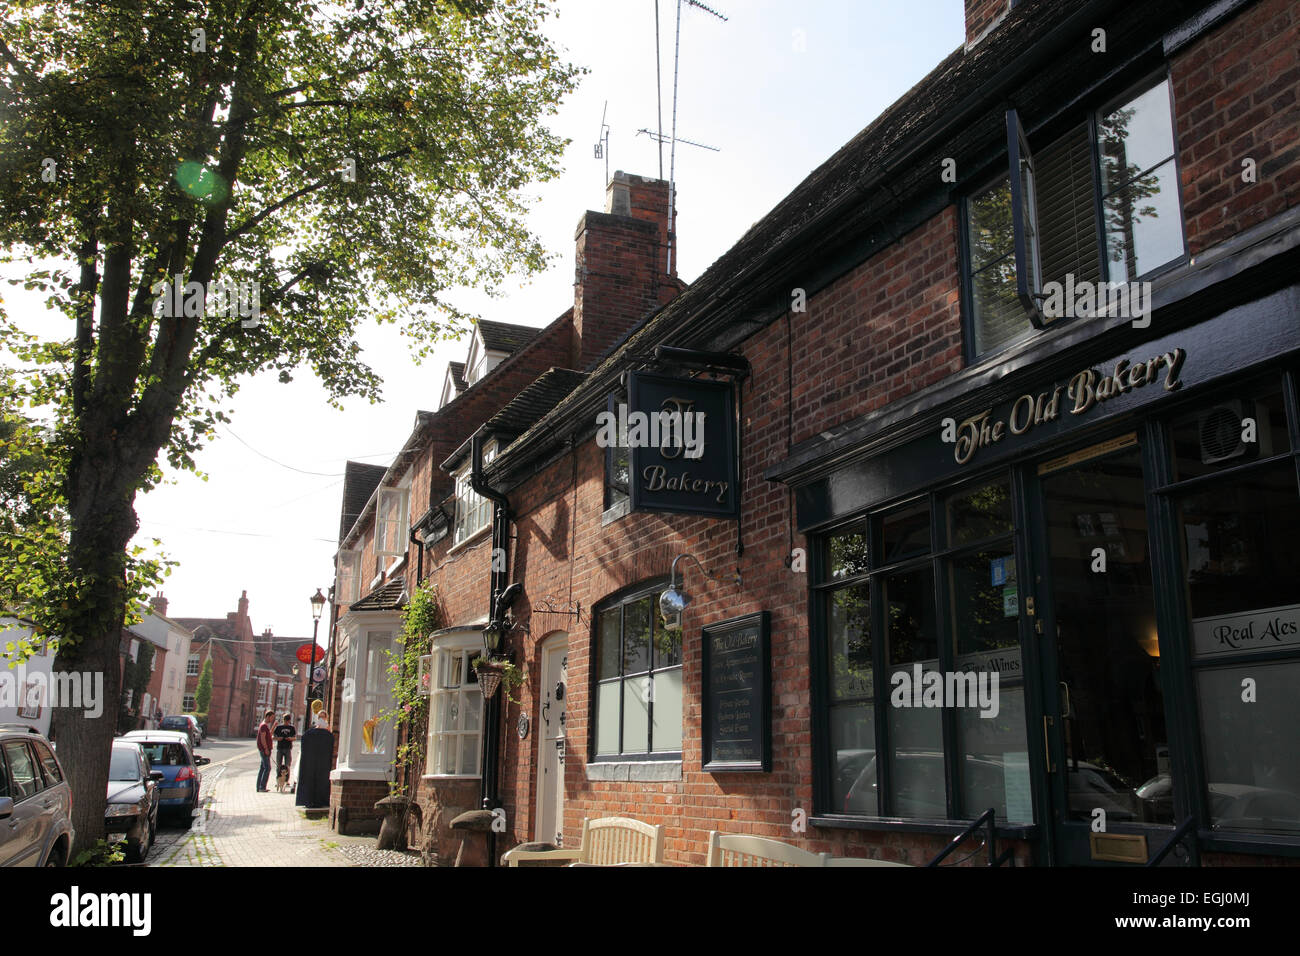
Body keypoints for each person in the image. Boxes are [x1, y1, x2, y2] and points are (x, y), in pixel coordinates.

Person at [273, 712, 296, 782]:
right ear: (283, 720)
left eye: (287, 720)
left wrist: (290, 738)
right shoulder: (279, 727)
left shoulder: (291, 728)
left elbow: (295, 738)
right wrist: (278, 738)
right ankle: (278, 779)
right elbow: (273, 737)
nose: (286, 722)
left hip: (288, 748)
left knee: (287, 765)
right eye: (285, 720)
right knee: (278, 765)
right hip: (280, 748)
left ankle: (286, 780)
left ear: (289, 720)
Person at [255, 709, 274, 792]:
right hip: (264, 750)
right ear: (268, 716)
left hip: (265, 749)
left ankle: (259, 787)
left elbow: (268, 735)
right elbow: (263, 738)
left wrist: (274, 726)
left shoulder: (264, 725)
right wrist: (266, 748)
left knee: (263, 768)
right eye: (272, 717)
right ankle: (262, 787)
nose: (272, 719)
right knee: (267, 768)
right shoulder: (263, 726)